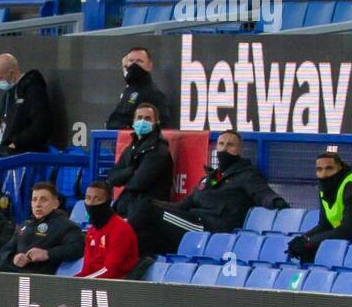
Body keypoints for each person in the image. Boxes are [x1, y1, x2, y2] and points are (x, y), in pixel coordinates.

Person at [137, 129, 288, 253]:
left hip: (210, 229)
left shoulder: (247, 175)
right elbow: (182, 205)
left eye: (230, 145)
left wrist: (277, 202)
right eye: (221, 144)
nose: (224, 148)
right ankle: (143, 260)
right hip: (193, 221)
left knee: (148, 211)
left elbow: (262, 193)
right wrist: (153, 203)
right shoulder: (209, 178)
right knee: (143, 206)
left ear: (239, 150)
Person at [106, 101, 172, 250]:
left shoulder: (158, 149)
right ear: (133, 121)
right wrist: (131, 170)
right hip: (128, 207)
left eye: (148, 119)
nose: (143, 121)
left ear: (156, 122)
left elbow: (139, 183)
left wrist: (127, 175)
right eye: (139, 117)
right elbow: (112, 177)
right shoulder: (132, 147)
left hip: (147, 213)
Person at [0, 54, 52, 157]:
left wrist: (16, 143)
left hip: (22, 156)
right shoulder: (8, 96)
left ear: (12, 73)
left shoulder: (34, 90)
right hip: (5, 153)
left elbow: (41, 125)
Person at [0, 182, 84, 275]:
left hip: (38, 280)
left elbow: (78, 248)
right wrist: (13, 258)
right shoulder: (24, 225)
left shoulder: (66, 226)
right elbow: (4, 250)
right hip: (10, 274)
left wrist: (47, 254)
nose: (38, 204)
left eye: (43, 200)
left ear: (55, 204)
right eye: (34, 200)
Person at [77, 180, 139, 279]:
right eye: (88, 198)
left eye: (97, 199)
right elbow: (87, 269)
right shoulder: (92, 231)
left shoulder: (120, 229)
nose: (91, 203)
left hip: (116, 287)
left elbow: (110, 270)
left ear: (108, 201)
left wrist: (83, 281)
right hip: (92, 284)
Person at [106, 47, 171, 129]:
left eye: (139, 61)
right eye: (131, 61)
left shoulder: (154, 94)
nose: (134, 65)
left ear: (149, 66)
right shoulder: (128, 91)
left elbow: (163, 127)